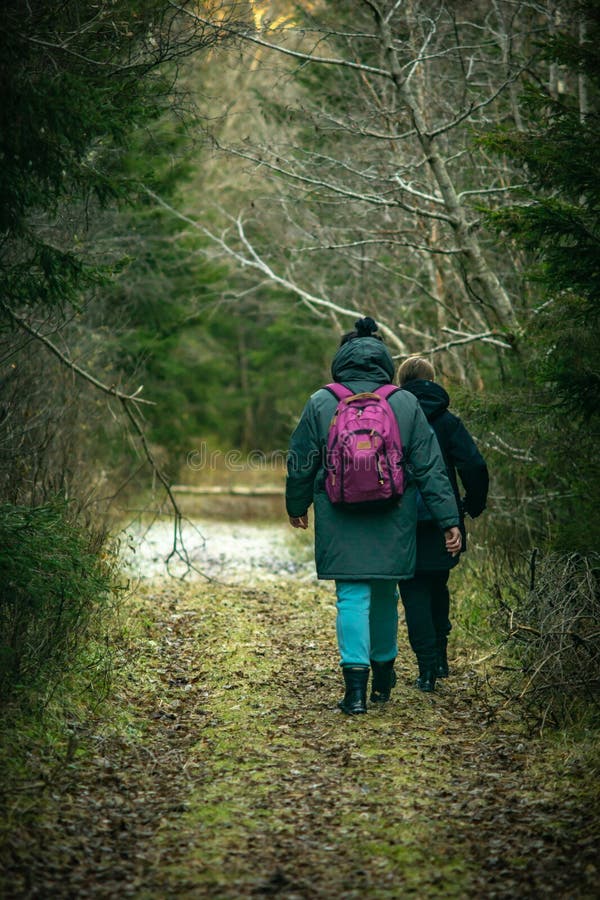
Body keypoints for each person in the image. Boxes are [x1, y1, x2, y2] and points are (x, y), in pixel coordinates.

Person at [285, 318, 461, 715]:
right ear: (384, 361)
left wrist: (297, 505)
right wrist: (448, 519)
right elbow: (431, 467)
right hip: (393, 514)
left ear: (340, 361)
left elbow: (301, 461)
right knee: (384, 591)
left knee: (351, 594)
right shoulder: (403, 402)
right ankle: (383, 677)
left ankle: (355, 691)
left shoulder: (321, 401)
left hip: (338, 513)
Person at [397, 356, 489, 692]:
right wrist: (471, 506)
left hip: (401, 519)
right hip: (443, 518)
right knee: (438, 582)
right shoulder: (448, 421)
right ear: (433, 380)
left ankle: (425, 669)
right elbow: (474, 466)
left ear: (401, 383)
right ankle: (440, 656)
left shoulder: (392, 418)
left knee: (412, 589)